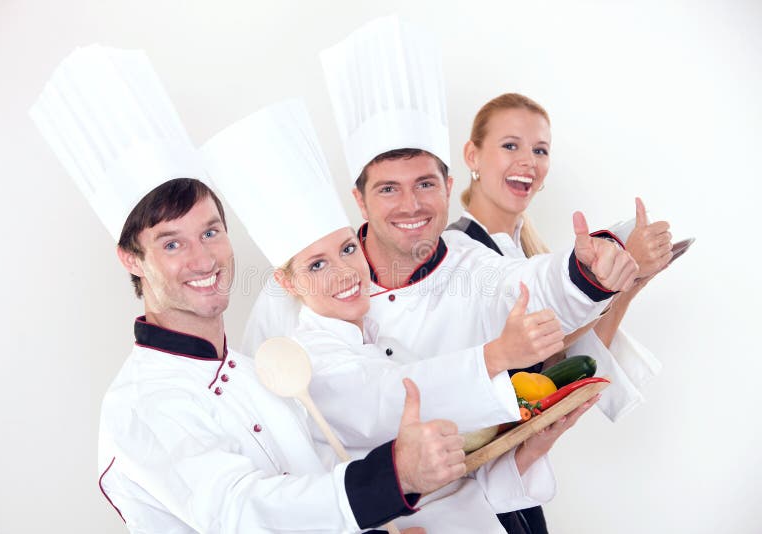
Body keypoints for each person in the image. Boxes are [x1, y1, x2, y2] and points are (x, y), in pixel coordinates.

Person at [30, 44, 467, 534]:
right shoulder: (142, 403)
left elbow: (315, 487)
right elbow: (240, 511)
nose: (202, 259)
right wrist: (393, 476)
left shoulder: (252, 371)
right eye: (171, 244)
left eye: (211, 232)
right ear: (132, 258)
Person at [241, 17, 638, 533]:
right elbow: (272, 427)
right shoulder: (285, 301)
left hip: (479, 507)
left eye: (425, 183)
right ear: (358, 199)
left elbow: (533, 285)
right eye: (388, 189)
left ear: (450, 185)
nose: (412, 205)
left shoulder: (469, 264)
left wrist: (586, 274)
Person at [447, 92, 671, 533]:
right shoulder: (458, 254)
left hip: (516, 477)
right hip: (468, 494)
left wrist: (630, 282)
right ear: (472, 155)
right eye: (510, 145)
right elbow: (530, 342)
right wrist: (612, 278)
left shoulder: (525, 252)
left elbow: (556, 369)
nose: (527, 161)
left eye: (540, 150)